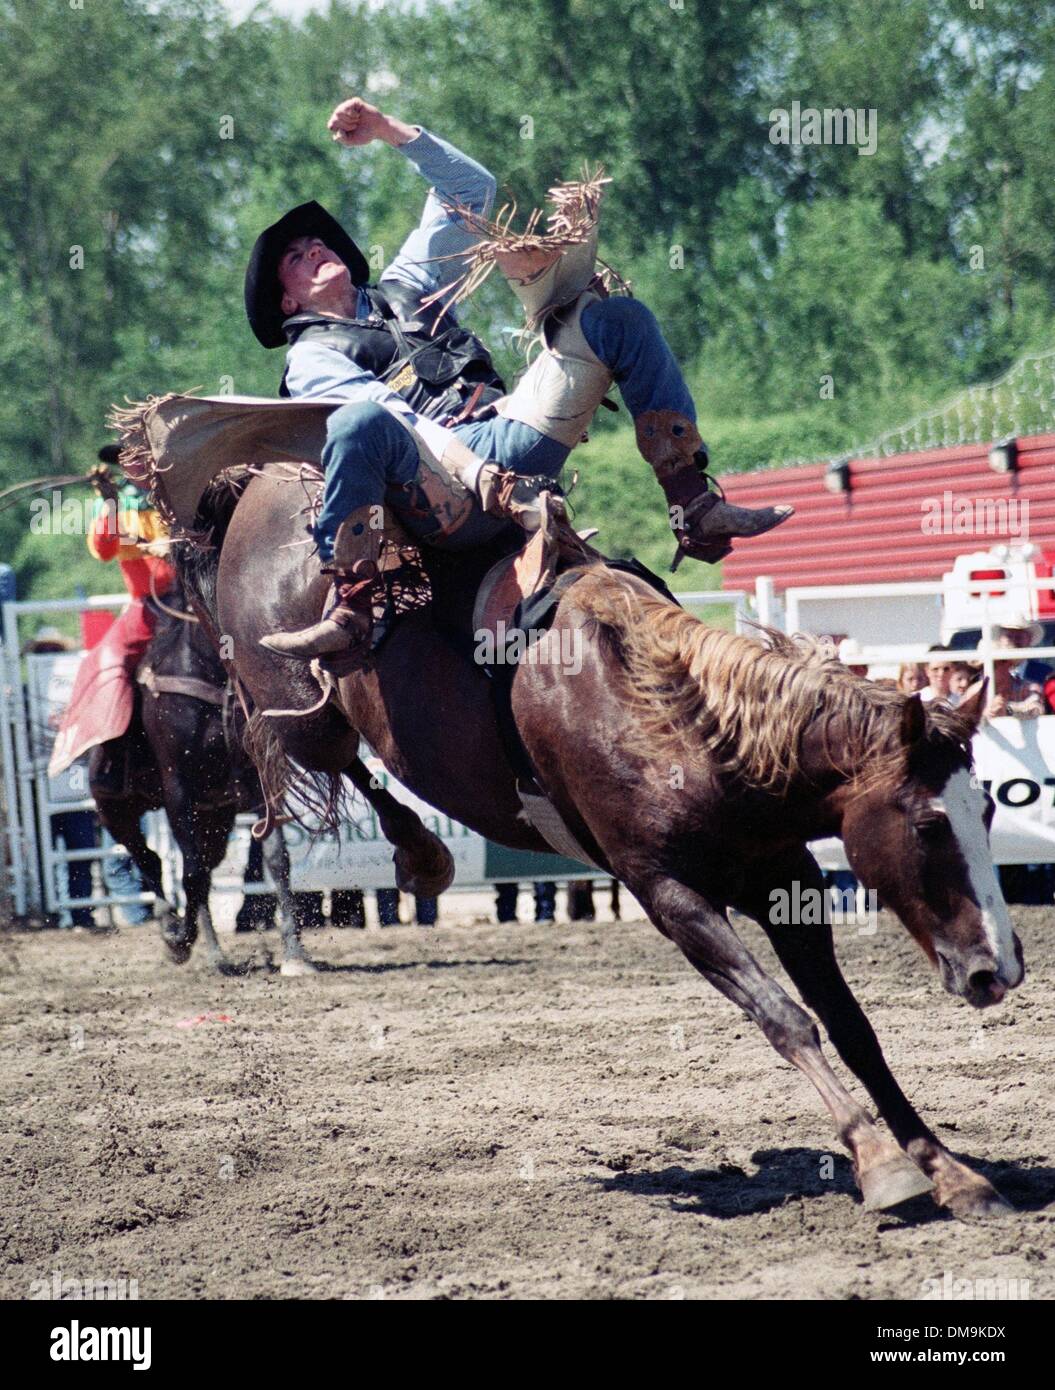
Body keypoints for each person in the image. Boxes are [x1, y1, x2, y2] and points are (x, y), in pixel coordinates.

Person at [245, 97, 792, 663]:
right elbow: (394, 418)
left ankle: (693, 508)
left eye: (318, 243)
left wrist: (388, 130)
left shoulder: (406, 282)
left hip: (509, 430)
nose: (314, 250)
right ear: (286, 300)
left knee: (618, 321)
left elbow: (471, 191)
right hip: (437, 489)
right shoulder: (311, 357)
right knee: (359, 420)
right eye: (295, 258)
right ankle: (354, 602)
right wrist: (471, 468)